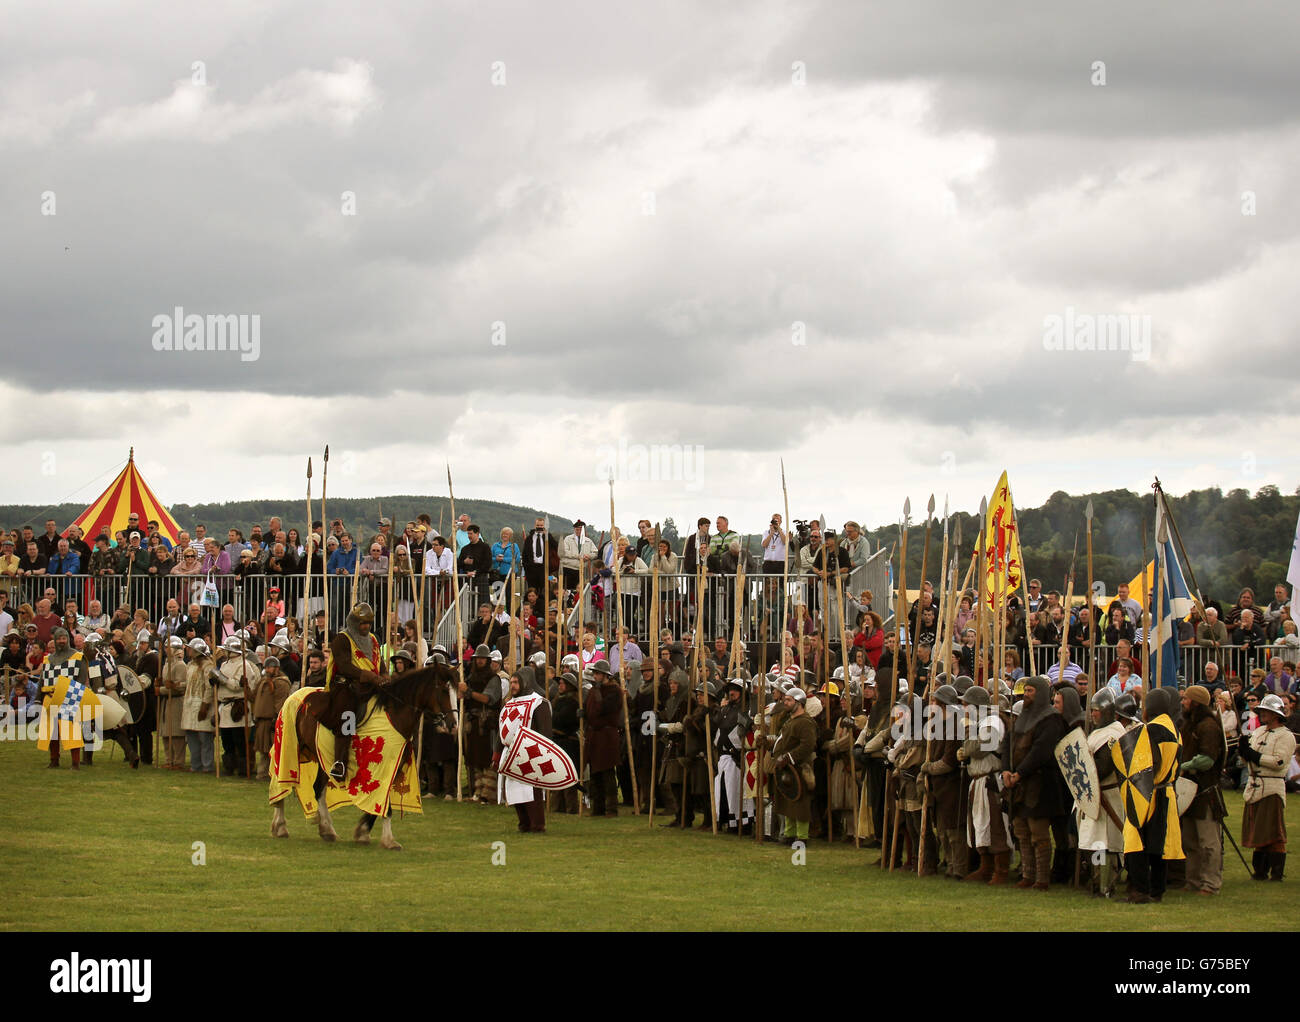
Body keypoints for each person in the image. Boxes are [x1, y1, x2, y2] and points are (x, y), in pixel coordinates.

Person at [1112, 687, 1184, 903]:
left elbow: (1146, 764)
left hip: (1146, 793)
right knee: (1157, 846)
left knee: (1137, 843)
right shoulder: (1174, 730)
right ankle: (1157, 890)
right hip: (1166, 791)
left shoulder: (1151, 730)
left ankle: (1140, 890)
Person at [1002, 675, 1068, 891]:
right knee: (1021, 830)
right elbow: (1007, 744)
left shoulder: (1051, 719)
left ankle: (1042, 878)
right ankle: (1027, 874)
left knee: (1038, 832)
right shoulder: (1022, 717)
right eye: (1026, 691)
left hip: (1041, 782)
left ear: (1040, 694)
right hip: (1019, 782)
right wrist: (1005, 770)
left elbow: (1041, 751)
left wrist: (1019, 773)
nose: (1027, 695)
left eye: (1030, 691)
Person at [958, 685, 1012, 884]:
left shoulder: (992, 723)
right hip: (978, 780)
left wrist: (967, 732)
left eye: (965, 704)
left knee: (996, 826)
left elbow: (978, 749)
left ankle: (1001, 870)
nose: (963, 709)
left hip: (991, 781)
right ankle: (986, 867)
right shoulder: (980, 723)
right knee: (981, 827)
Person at [1240, 692, 1297, 881]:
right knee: (1258, 830)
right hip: (1254, 785)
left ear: (1275, 714)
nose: (1262, 714)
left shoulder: (1286, 736)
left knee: (1273, 830)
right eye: (1262, 710)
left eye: (1266, 711)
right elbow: (1247, 759)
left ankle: (1276, 872)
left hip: (1272, 787)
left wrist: (1253, 755)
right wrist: (1243, 752)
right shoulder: (1258, 732)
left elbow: (1278, 762)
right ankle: (1260, 870)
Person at [322, 603, 382, 782]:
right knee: (347, 716)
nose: (366, 627)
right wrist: (367, 675)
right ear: (354, 622)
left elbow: (379, 661)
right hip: (346, 686)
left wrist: (384, 675)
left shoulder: (373, 639)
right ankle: (339, 762)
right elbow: (345, 666)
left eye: (368, 623)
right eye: (362, 623)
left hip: (370, 685)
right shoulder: (342, 639)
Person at [1178, 685, 1226, 895]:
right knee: (1190, 840)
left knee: (1208, 842)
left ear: (1195, 702)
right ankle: (1194, 880)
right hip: (1189, 790)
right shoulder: (1190, 725)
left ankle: (1210, 883)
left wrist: (1182, 767)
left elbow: (1207, 760)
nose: (1183, 702)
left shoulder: (1208, 726)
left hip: (1205, 790)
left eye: (1186, 699)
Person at [494, 666, 552, 833]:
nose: (512, 685)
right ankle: (524, 823)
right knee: (514, 792)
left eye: (516, 682)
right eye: (511, 682)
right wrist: (496, 755)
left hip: (530, 753)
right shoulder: (508, 705)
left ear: (526, 682)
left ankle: (537, 825)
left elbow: (545, 732)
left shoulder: (538, 704)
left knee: (530, 791)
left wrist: (543, 753)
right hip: (510, 752)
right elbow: (502, 731)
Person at [767, 685, 818, 845]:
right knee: (787, 801)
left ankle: (802, 836)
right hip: (786, 768)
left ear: (799, 702)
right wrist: (769, 742)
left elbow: (808, 745)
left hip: (799, 767)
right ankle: (789, 834)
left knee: (800, 803)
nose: (785, 702)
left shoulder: (805, 722)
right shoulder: (790, 721)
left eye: (789, 700)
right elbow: (783, 741)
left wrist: (788, 757)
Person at [460, 644, 501, 802]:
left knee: (487, 758)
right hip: (473, 723)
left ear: (488, 660)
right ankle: (477, 792)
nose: (480, 661)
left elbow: (487, 699)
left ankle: (488, 793)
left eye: (483, 658)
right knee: (474, 758)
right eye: (478, 658)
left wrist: (468, 692)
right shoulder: (470, 678)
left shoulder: (493, 678)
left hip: (487, 723)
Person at [584, 660, 625, 816]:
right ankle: (597, 808)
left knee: (607, 773)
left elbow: (604, 709)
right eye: (594, 673)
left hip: (607, 736)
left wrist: (598, 694)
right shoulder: (594, 690)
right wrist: (583, 712)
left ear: (605, 675)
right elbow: (590, 710)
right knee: (595, 774)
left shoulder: (614, 691)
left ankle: (611, 808)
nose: (595, 676)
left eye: (598, 673)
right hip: (594, 736)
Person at [251, 656, 291, 780]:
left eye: (270, 667)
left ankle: (274, 774)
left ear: (276, 668)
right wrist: (246, 686)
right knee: (263, 750)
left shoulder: (281, 683)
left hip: (272, 721)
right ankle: (262, 773)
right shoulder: (263, 681)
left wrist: (276, 719)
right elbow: (253, 697)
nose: (267, 670)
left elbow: (280, 702)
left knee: (273, 750)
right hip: (261, 720)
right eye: (266, 667)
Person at [181, 638, 216, 773]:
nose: (188, 650)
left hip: (201, 703)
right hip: (189, 703)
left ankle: (207, 766)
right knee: (191, 737)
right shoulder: (190, 665)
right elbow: (188, 683)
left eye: (190, 648)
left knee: (204, 737)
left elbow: (209, 687)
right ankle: (195, 765)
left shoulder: (208, 666)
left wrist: (205, 705)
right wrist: (175, 685)